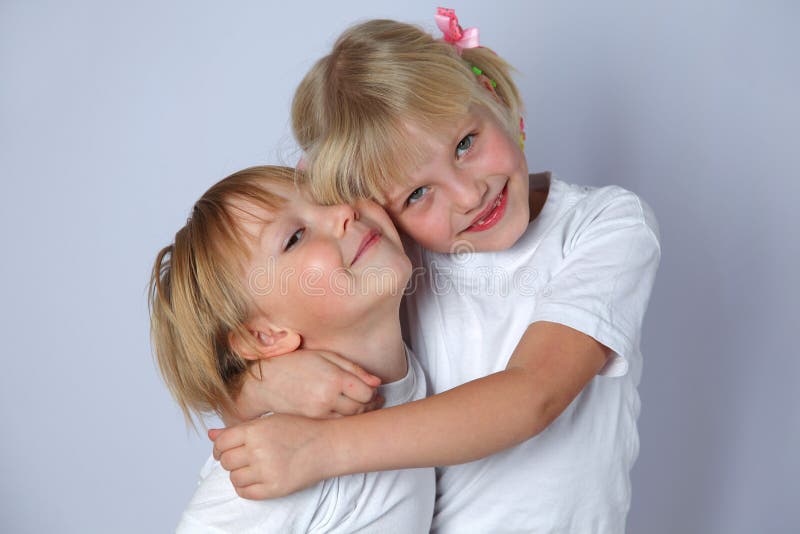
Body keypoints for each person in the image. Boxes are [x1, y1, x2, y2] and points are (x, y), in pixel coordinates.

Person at [212, 10, 661, 533]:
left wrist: (324, 448)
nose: (469, 195)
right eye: (417, 193)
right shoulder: (393, 267)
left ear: (490, 95)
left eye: (465, 143)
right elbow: (250, 395)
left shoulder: (604, 225)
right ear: (369, 207)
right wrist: (262, 388)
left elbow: (534, 394)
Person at [148, 165, 434, 532]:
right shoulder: (284, 449)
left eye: (332, 194)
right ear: (264, 336)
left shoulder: (407, 373)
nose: (344, 211)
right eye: (295, 237)